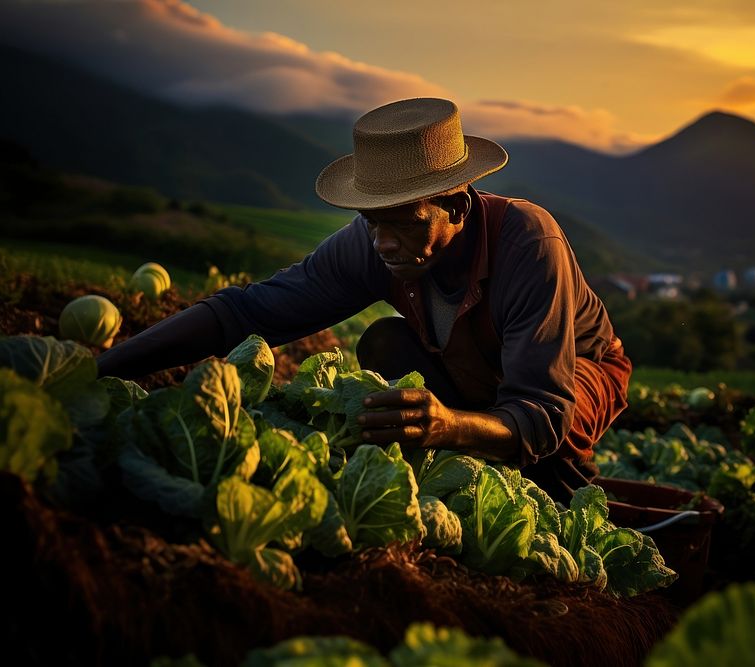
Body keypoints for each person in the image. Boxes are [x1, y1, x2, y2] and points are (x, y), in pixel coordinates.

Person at [97, 97, 631, 503]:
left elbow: (543, 409)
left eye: (405, 222)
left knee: (549, 457)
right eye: (373, 221)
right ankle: (476, 465)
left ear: (458, 207)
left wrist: (448, 425)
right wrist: (100, 367)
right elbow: (247, 311)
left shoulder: (527, 243)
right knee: (385, 343)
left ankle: (570, 499)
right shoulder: (375, 242)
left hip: (573, 375)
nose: (384, 243)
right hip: (475, 367)